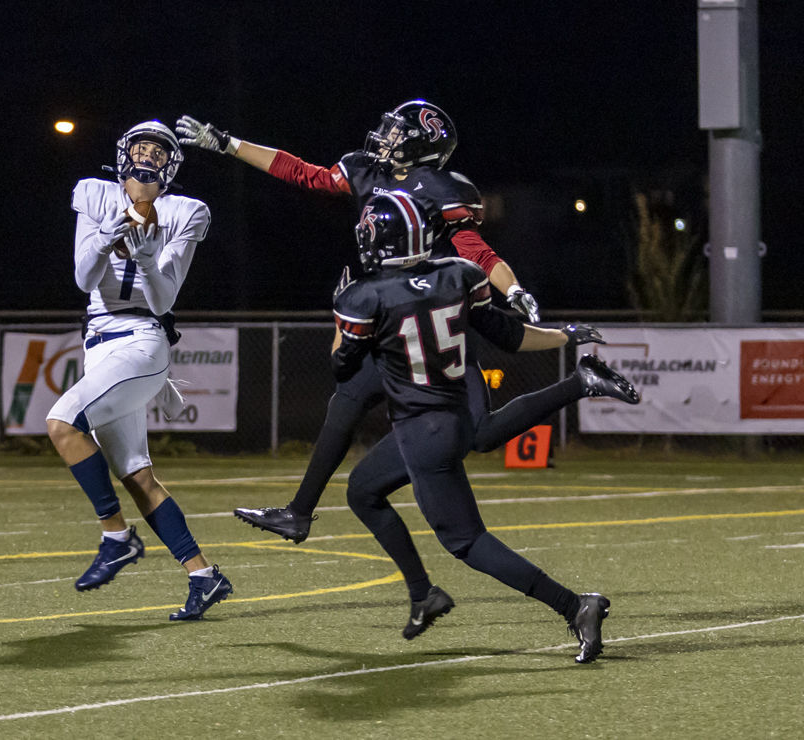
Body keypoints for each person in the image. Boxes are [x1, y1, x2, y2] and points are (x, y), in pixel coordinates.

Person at [176, 102, 636, 544]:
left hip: (435, 326)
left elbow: (473, 248)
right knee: (347, 400)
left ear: (421, 146)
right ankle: (298, 512)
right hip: (389, 320)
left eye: (399, 131)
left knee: (481, 434)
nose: (387, 136)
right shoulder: (365, 169)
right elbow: (302, 173)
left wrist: (511, 288)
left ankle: (582, 381)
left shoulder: (442, 189)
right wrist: (226, 143)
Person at [332, 192, 616, 662]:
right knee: (362, 489)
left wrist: (340, 321)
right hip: (452, 406)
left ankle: (574, 605)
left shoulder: (366, 295)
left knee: (467, 542)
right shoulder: (457, 276)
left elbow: (344, 369)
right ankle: (422, 593)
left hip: (422, 428)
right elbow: (505, 333)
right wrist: (565, 334)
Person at [45, 120, 232, 621]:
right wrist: (109, 234)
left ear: (171, 165)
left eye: (159, 149)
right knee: (136, 474)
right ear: (124, 153)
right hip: (98, 344)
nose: (148, 155)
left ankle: (116, 536)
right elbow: (84, 276)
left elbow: (163, 299)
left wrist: (148, 259)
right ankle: (203, 574)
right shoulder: (94, 193)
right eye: (141, 146)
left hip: (142, 340)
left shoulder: (187, 210)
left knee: (62, 423)